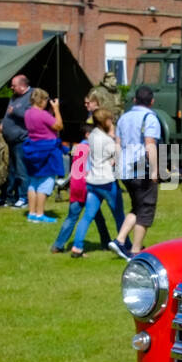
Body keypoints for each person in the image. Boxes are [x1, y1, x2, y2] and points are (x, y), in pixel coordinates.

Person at [112, 85, 162, 257]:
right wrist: (156, 170)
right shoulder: (150, 118)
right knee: (146, 209)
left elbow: (117, 144)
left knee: (137, 206)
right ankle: (135, 250)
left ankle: (119, 240)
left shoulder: (123, 118)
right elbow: (150, 144)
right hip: (142, 167)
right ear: (152, 101)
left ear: (134, 100)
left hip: (125, 168)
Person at [69, 107, 122, 258]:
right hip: (106, 181)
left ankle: (77, 246)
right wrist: (114, 137)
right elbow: (118, 155)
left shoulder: (91, 136)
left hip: (92, 182)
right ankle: (126, 244)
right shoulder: (106, 140)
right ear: (106, 121)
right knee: (119, 216)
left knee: (87, 216)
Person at [21, 88, 65, 222]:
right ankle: (40, 214)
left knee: (33, 182)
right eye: (46, 100)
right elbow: (58, 126)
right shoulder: (42, 114)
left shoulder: (28, 113)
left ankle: (32, 213)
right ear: (41, 100)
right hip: (47, 150)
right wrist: (56, 109)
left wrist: (50, 113)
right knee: (45, 182)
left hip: (33, 149)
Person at [1, 74, 34, 208]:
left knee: (22, 170)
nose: (11, 88)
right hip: (11, 140)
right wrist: (3, 123)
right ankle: (10, 197)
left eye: (14, 86)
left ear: (22, 85)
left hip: (22, 139)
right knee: (12, 170)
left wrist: (15, 111)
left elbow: (31, 115)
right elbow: (7, 113)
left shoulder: (32, 96)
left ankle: (23, 197)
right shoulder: (14, 97)